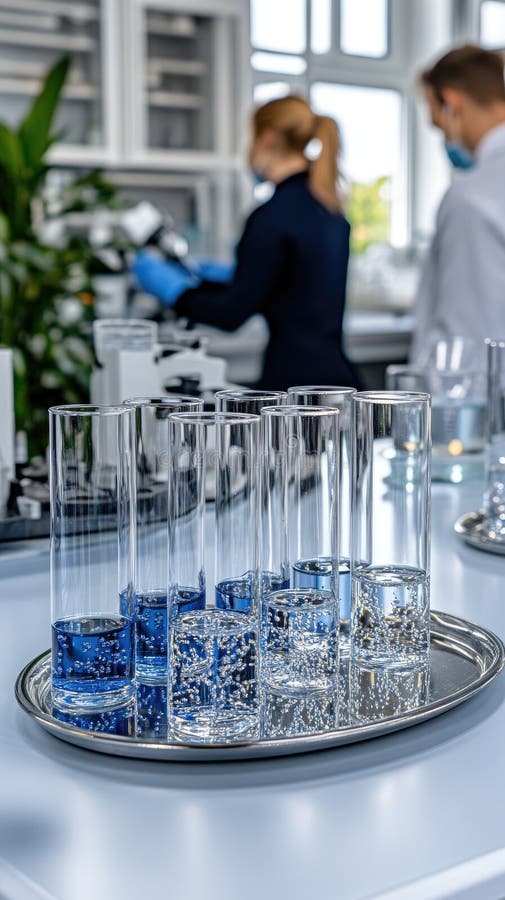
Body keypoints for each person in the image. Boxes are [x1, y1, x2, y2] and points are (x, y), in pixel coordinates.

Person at [133, 95, 360, 390]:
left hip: (293, 392)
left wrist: (175, 292)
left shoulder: (271, 217)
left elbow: (231, 313)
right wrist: (220, 279)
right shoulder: (330, 210)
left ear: (266, 138)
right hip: (340, 384)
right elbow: (286, 291)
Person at [411, 45, 505, 364]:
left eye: (438, 124)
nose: (444, 137)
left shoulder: (472, 197)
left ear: (452, 104)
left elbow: (465, 341)